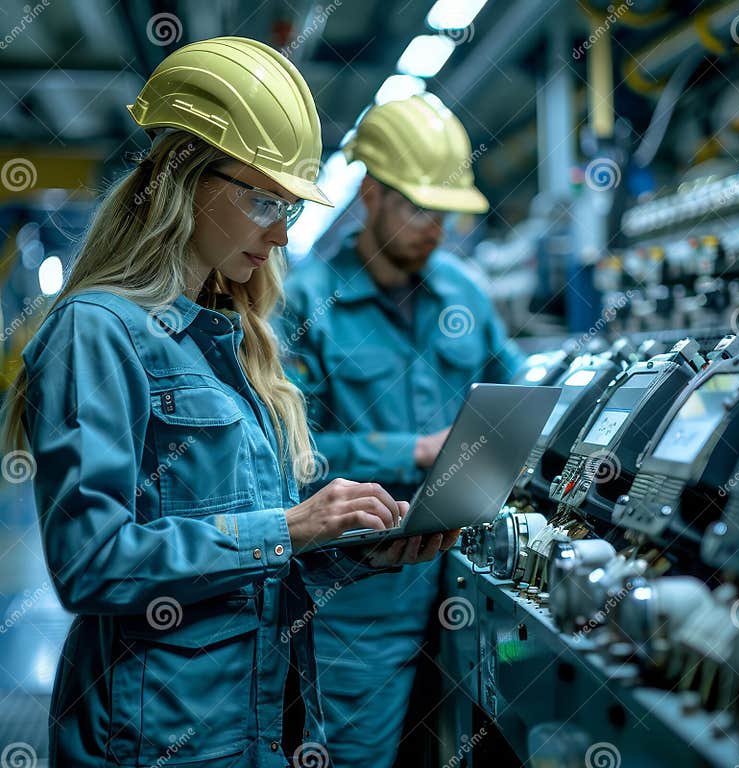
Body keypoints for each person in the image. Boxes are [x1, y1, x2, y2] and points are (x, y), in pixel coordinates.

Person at [0, 39, 458, 768]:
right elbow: (91, 562)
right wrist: (287, 524)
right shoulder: (98, 332)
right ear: (184, 175)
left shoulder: (233, 344)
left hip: (253, 729)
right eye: (263, 200)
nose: (280, 234)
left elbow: (255, 564)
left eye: (286, 208)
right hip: (150, 741)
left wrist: (355, 550)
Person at [281, 94, 525, 768]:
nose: (434, 229)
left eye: (443, 212)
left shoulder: (464, 294)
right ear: (368, 195)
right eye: (418, 208)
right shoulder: (308, 304)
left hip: (471, 570)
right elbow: (288, 457)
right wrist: (411, 451)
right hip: (362, 589)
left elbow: (520, 393)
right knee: (357, 756)